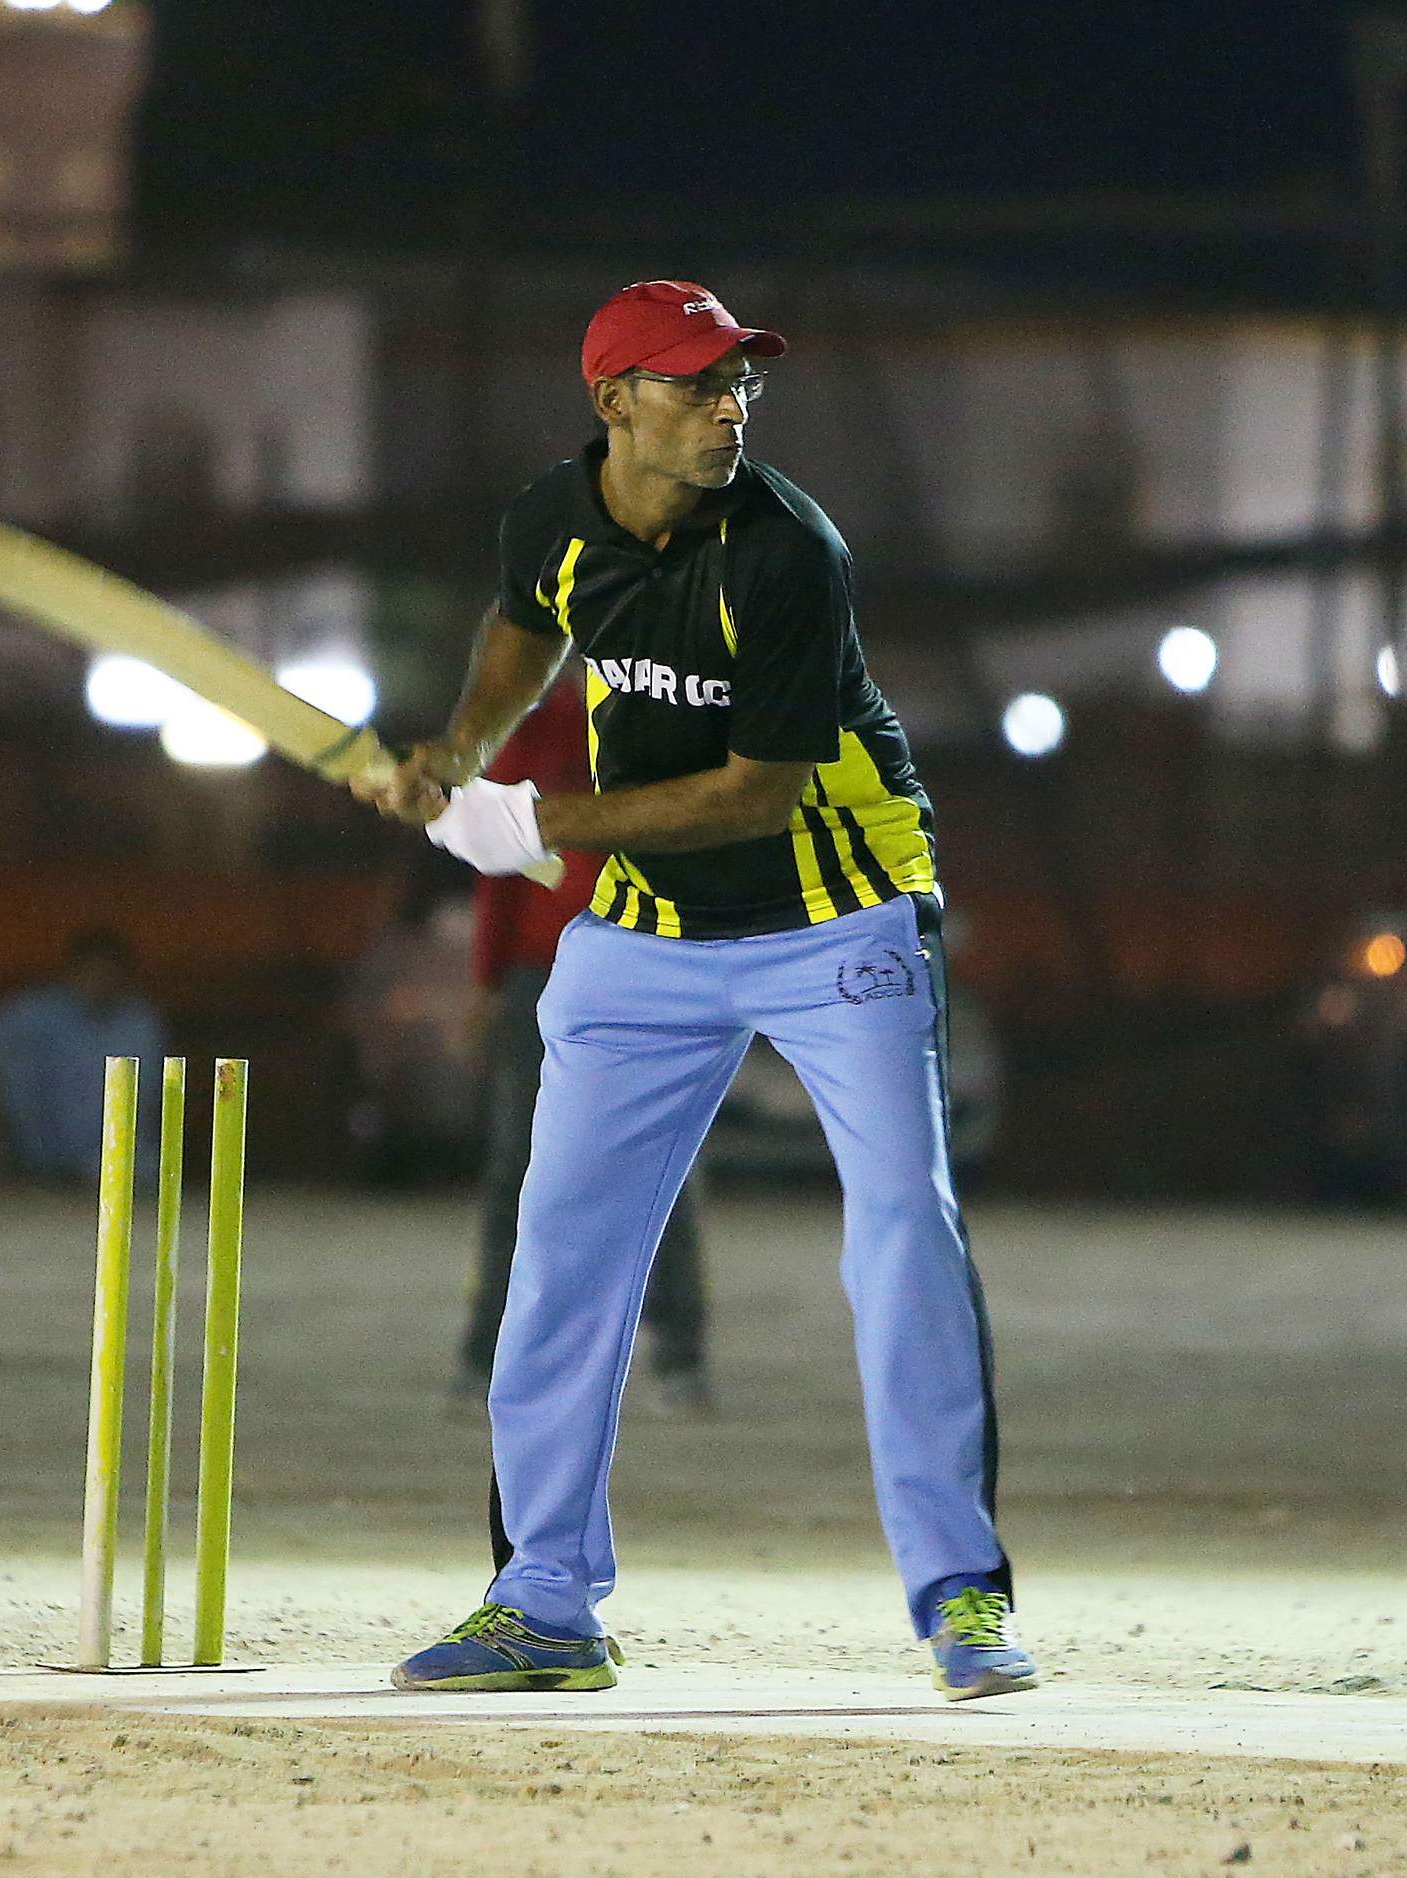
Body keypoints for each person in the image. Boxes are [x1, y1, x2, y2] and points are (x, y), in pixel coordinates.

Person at [355, 279, 1032, 1701]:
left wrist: (536, 821)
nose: (730, 408)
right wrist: (465, 749)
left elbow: (751, 796)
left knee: (903, 1229)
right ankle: (543, 1600)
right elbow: (524, 622)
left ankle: (963, 1597)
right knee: (561, 1250)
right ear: (615, 402)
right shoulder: (553, 515)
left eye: (739, 383)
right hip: (646, 936)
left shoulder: (788, 551)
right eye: (696, 383)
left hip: (839, 915)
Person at [453, 670, 714, 1419]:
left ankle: (679, 1353)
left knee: (661, 1158)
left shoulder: (672, 718)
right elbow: (500, 863)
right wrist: (488, 982)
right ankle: (488, 1353)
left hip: (648, 959)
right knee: (521, 1165)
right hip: (543, 972)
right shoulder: (535, 731)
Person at [0, 928, 165, 1182]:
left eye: (109, 974)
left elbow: (152, 1096)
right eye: (93, 972)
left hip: (113, 1163)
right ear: (73, 972)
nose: (101, 982)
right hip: (35, 1155)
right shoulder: (37, 1011)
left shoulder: (140, 1022)